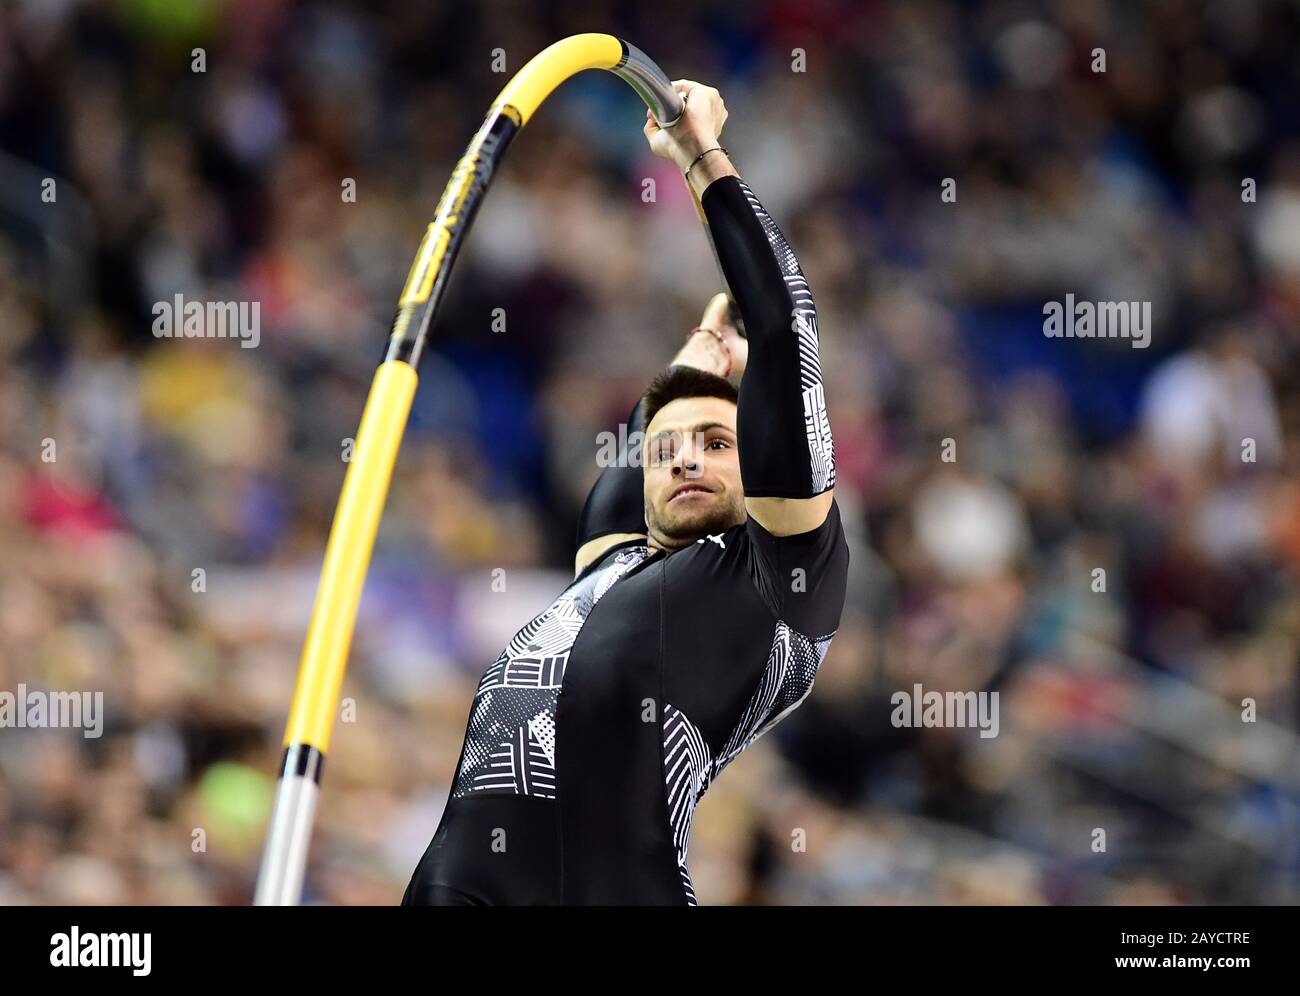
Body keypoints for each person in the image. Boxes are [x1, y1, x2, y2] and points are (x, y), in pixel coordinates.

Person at [402, 79, 848, 905]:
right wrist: (698, 357)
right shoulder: (613, 561)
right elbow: (646, 451)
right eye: (666, 449)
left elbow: (787, 326)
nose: (683, 462)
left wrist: (699, 152)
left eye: (717, 445)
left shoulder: (784, 576)